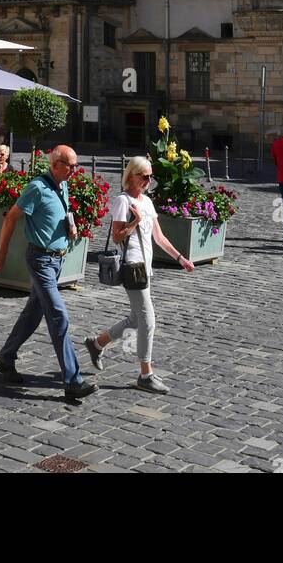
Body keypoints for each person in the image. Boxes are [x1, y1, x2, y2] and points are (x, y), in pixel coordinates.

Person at [0, 145, 95, 404]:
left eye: (75, 165)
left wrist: (68, 230)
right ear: (55, 163)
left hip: (57, 260)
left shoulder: (62, 185)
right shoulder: (37, 187)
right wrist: (1, 253)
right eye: (70, 165)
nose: (74, 170)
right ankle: (73, 381)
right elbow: (10, 218)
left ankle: (5, 358)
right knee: (58, 315)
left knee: (32, 314)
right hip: (40, 260)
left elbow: (56, 215)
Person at [84, 156, 194, 395]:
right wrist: (135, 222)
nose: (147, 180)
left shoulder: (147, 202)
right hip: (132, 266)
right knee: (148, 320)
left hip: (146, 267)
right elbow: (116, 237)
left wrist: (180, 258)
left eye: (150, 176)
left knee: (136, 319)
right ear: (131, 175)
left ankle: (97, 343)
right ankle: (146, 374)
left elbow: (159, 238)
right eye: (143, 176)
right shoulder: (123, 201)